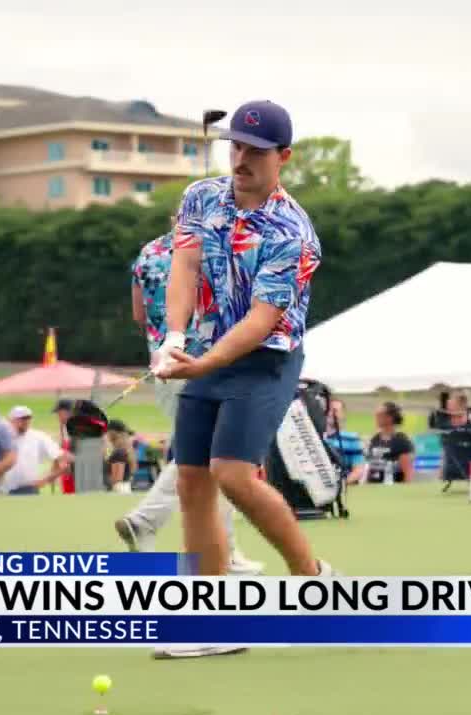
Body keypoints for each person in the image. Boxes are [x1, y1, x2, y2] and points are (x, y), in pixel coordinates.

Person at [154, 100, 334, 614]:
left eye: (256, 151)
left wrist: (200, 364)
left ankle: (314, 580)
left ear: (284, 157)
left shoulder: (292, 233)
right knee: (191, 479)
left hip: (265, 360)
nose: (241, 159)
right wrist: (173, 334)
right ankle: (209, 616)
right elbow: (184, 267)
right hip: (209, 349)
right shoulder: (201, 197)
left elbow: (260, 322)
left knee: (231, 474)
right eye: (236, 146)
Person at [115, 225, 263, 575]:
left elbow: (139, 315)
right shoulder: (212, 250)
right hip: (202, 362)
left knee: (215, 457)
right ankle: (144, 520)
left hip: (162, 363)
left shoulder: (149, 251)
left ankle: (224, 552)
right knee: (213, 454)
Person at [3, 405, 71, 495]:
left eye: (28, 418)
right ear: (11, 421)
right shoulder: (2, 438)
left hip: (28, 490)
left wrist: (45, 480)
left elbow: (62, 459)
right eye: (21, 419)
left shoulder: (38, 437)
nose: (25, 421)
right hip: (4, 491)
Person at [361, 401, 415, 485]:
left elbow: (408, 473)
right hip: (373, 488)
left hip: (392, 489)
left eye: (379, 415)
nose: (375, 418)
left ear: (389, 418)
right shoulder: (375, 439)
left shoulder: (401, 440)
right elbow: (370, 466)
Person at [323, 398, 364, 478]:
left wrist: (342, 485)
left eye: (335, 410)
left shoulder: (352, 439)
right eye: (328, 410)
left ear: (343, 414)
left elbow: (358, 470)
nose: (331, 413)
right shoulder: (316, 437)